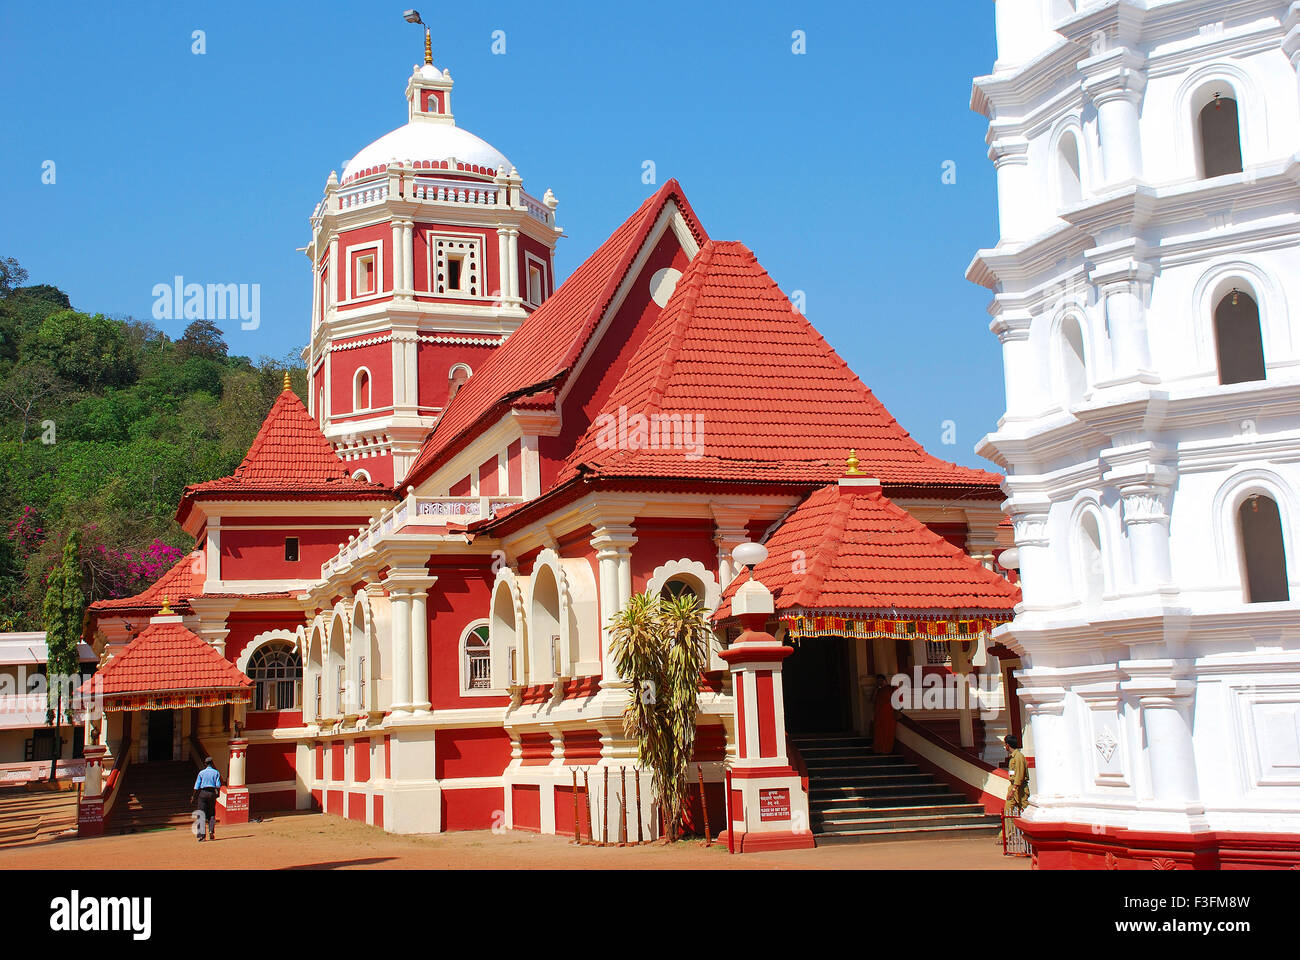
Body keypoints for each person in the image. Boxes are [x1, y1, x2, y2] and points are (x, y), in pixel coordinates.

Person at [192, 757, 221, 841]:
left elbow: (196, 786)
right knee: (212, 814)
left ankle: (202, 836)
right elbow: (218, 785)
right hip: (212, 793)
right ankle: (211, 831)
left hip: (203, 793)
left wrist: (193, 796)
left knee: (201, 814)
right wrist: (217, 794)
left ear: (205, 764)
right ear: (212, 763)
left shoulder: (201, 773)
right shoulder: (216, 772)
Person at [871, 674, 898, 754]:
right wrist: (876, 688)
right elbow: (872, 700)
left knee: (888, 732)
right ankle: (878, 749)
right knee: (879, 733)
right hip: (879, 715)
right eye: (878, 681)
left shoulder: (892, 688)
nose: (880, 683)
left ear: (885, 680)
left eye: (881, 681)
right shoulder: (878, 691)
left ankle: (886, 749)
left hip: (889, 714)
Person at [1003, 735, 1030, 817]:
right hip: (1013, 786)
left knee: (1025, 809)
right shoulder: (1012, 757)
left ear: (1008, 745)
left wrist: (1014, 790)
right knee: (1008, 811)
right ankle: (1009, 829)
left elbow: (1019, 775)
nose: (1005, 746)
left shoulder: (1019, 757)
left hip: (1019, 787)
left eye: (1005, 744)